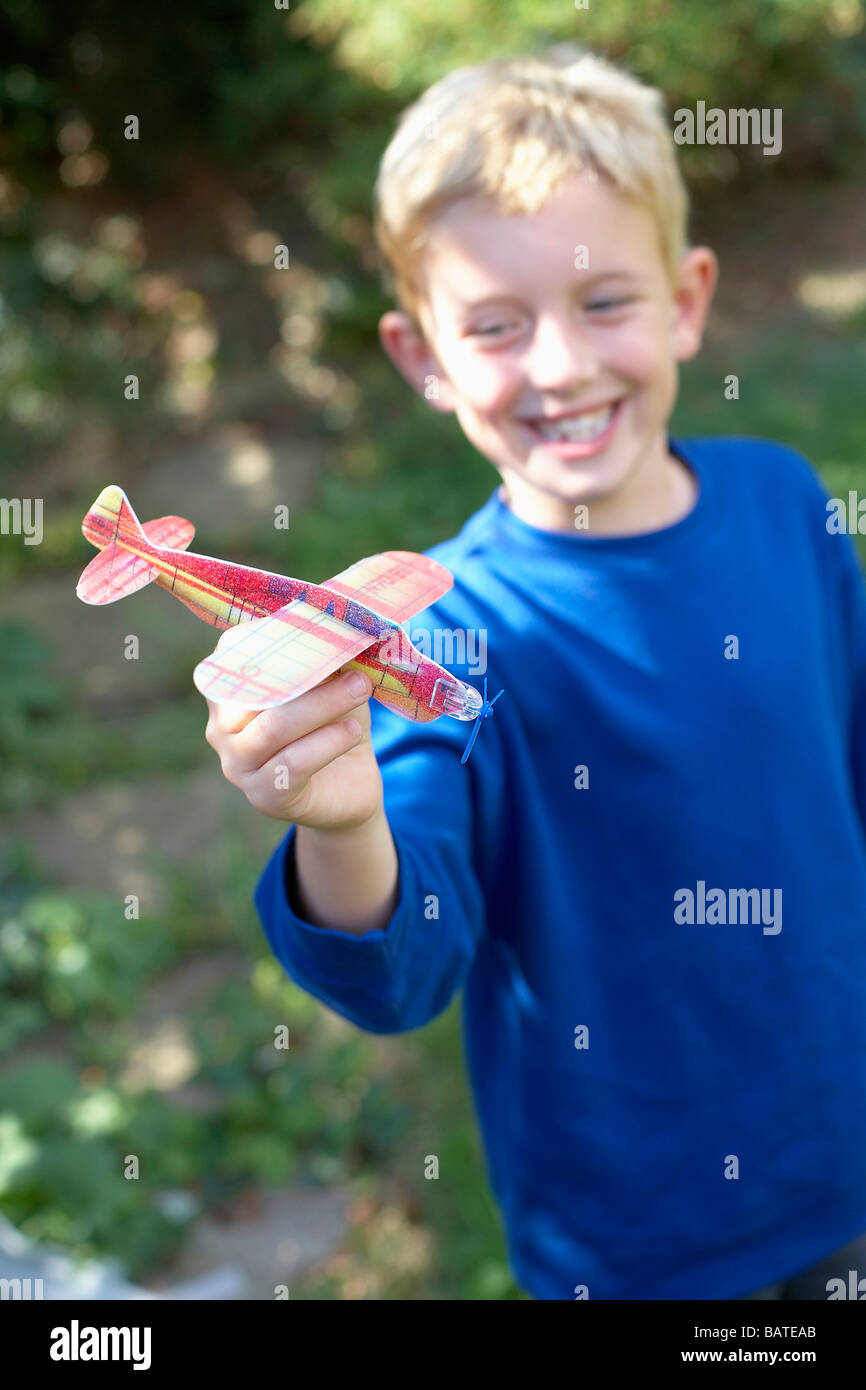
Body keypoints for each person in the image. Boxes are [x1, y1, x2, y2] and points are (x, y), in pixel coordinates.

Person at [204, 45, 866, 1300]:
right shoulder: (450, 629)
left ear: (685, 299)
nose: (558, 367)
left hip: (845, 1153)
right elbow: (406, 961)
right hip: (635, 1238)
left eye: (603, 303)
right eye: (495, 328)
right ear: (423, 359)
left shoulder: (784, 503)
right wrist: (340, 816)